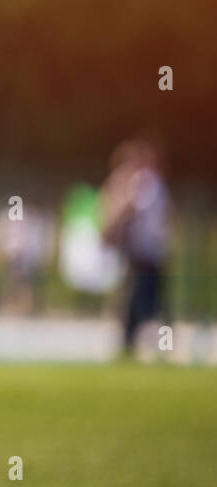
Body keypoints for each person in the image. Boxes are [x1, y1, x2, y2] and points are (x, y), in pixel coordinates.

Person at [101, 140, 171, 358]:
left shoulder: (145, 181)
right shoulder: (147, 181)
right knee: (140, 301)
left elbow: (133, 208)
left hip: (146, 250)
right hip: (143, 250)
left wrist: (111, 228)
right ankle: (136, 345)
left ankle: (141, 345)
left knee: (143, 301)